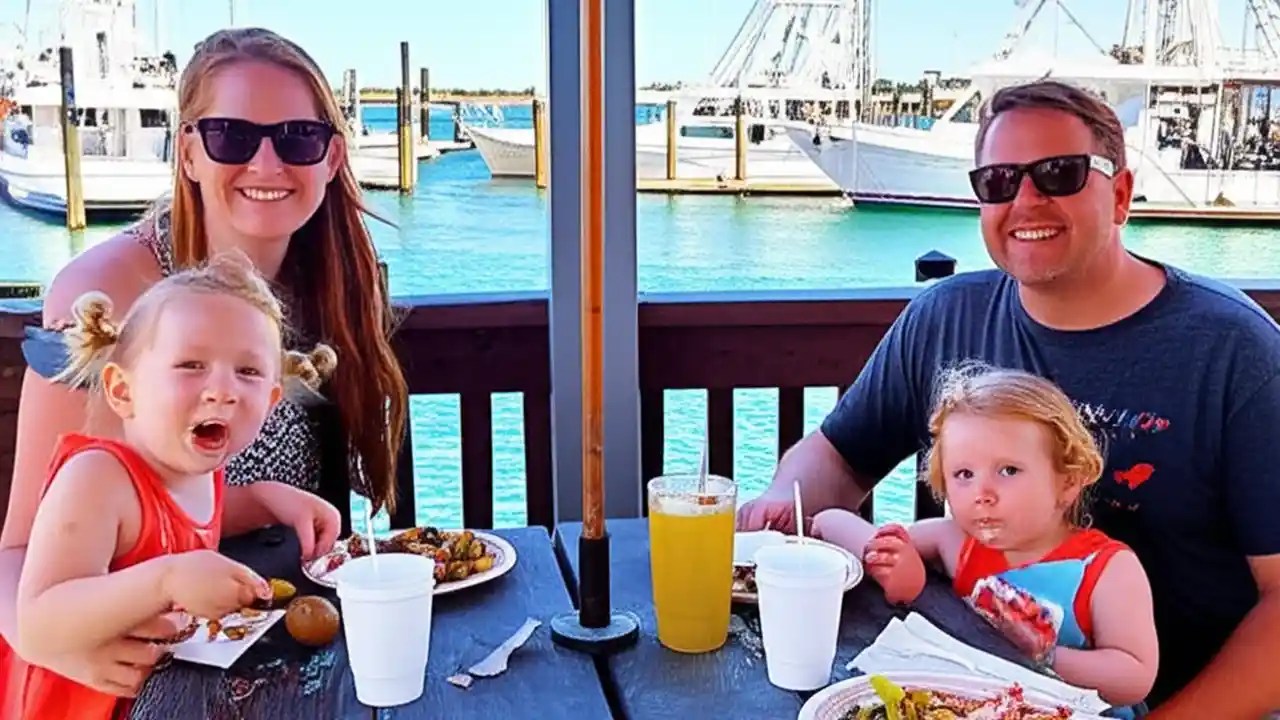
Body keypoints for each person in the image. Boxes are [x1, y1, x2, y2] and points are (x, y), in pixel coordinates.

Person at [737, 79, 1280, 718]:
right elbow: (838, 455)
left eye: (1059, 173)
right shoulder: (944, 317)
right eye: (998, 180)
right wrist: (782, 503)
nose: (1026, 199)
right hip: (959, 684)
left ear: (1123, 195)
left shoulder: (1234, 351)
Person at [0, 27, 407, 700]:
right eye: (232, 136)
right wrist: (58, 647)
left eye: (297, 138)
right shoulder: (107, 294)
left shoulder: (333, 284)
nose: (268, 164)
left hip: (266, 660)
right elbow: (15, 552)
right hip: (118, 688)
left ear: (332, 157)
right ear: (187, 151)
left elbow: (196, 502)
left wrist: (265, 502)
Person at [14, 251, 341, 719]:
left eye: (247, 372)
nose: (223, 389)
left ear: (270, 403)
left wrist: (269, 498)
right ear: (123, 390)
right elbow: (37, 624)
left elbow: (179, 517)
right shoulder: (96, 480)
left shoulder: (193, 471)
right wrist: (166, 580)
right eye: (191, 364)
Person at [812, 364, 1157, 716]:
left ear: (1068, 482)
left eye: (1008, 470)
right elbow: (864, 539)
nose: (982, 493)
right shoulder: (957, 541)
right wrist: (843, 534)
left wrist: (1043, 653)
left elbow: (1135, 676)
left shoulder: (1105, 568)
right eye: (964, 474)